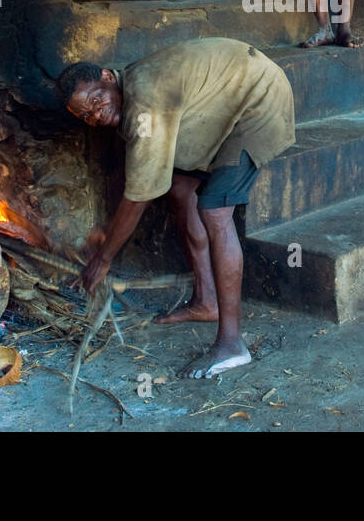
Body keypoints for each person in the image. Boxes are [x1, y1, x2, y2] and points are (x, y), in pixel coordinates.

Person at [58, 37, 295, 378]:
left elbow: (139, 195)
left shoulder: (146, 98)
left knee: (215, 211)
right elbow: (153, 180)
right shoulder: (132, 99)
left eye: (96, 100)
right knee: (182, 189)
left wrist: (104, 258)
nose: (96, 114)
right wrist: (106, 237)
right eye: (87, 115)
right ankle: (207, 302)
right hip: (224, 105)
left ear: (109, 77)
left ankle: (232, 343)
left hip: (259, 100)